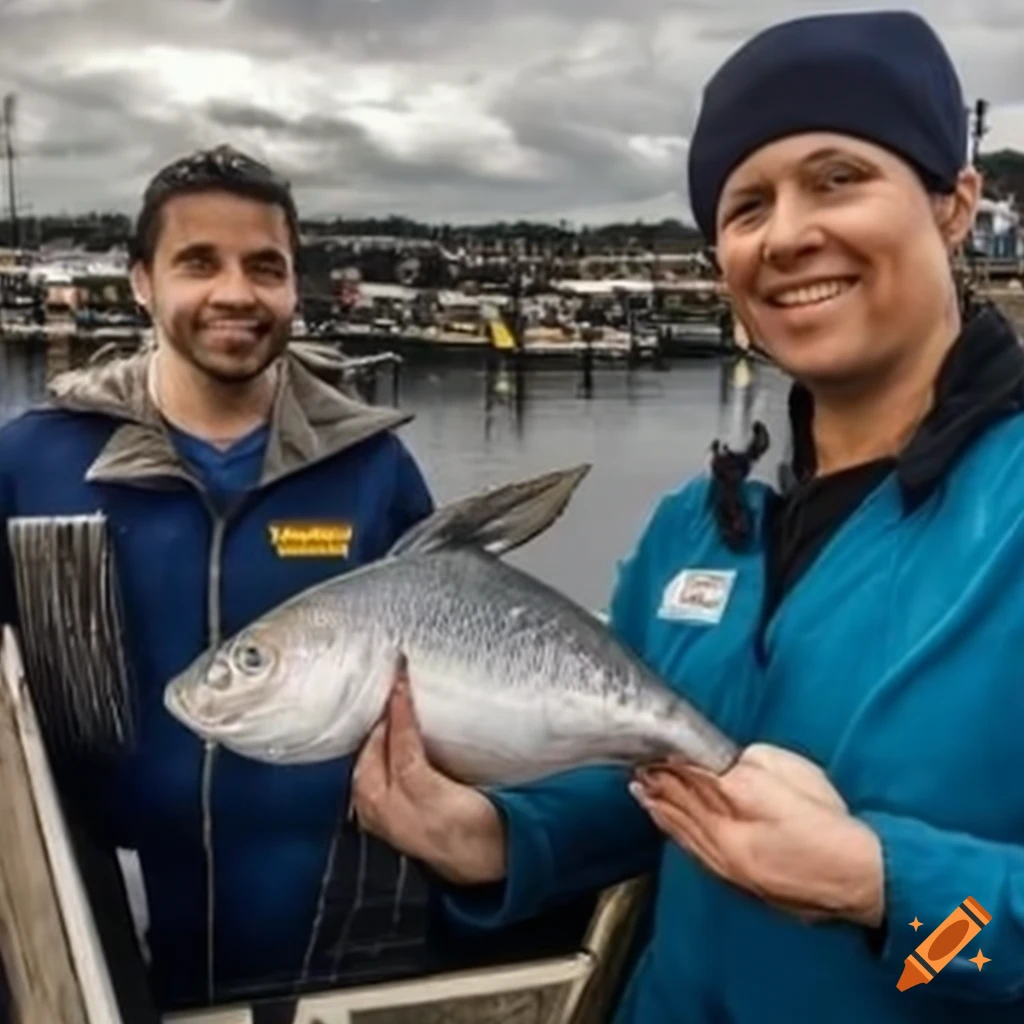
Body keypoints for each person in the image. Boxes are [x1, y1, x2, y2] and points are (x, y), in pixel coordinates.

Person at [350, 11, 1024, 1024]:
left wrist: (884, 882)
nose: (789, 233)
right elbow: (643, 794)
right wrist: (489, 835)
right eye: (746, 205)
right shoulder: (696, 531)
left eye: (838, 177)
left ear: (953, 204)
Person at [0, 145, 438, 1011]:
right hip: (96, 932)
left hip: (330, 936)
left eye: (264, 267)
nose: (235, 292)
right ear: (139, 282)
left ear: (293, 287)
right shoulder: (33, 461)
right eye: (198, 262)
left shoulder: (373, 468)